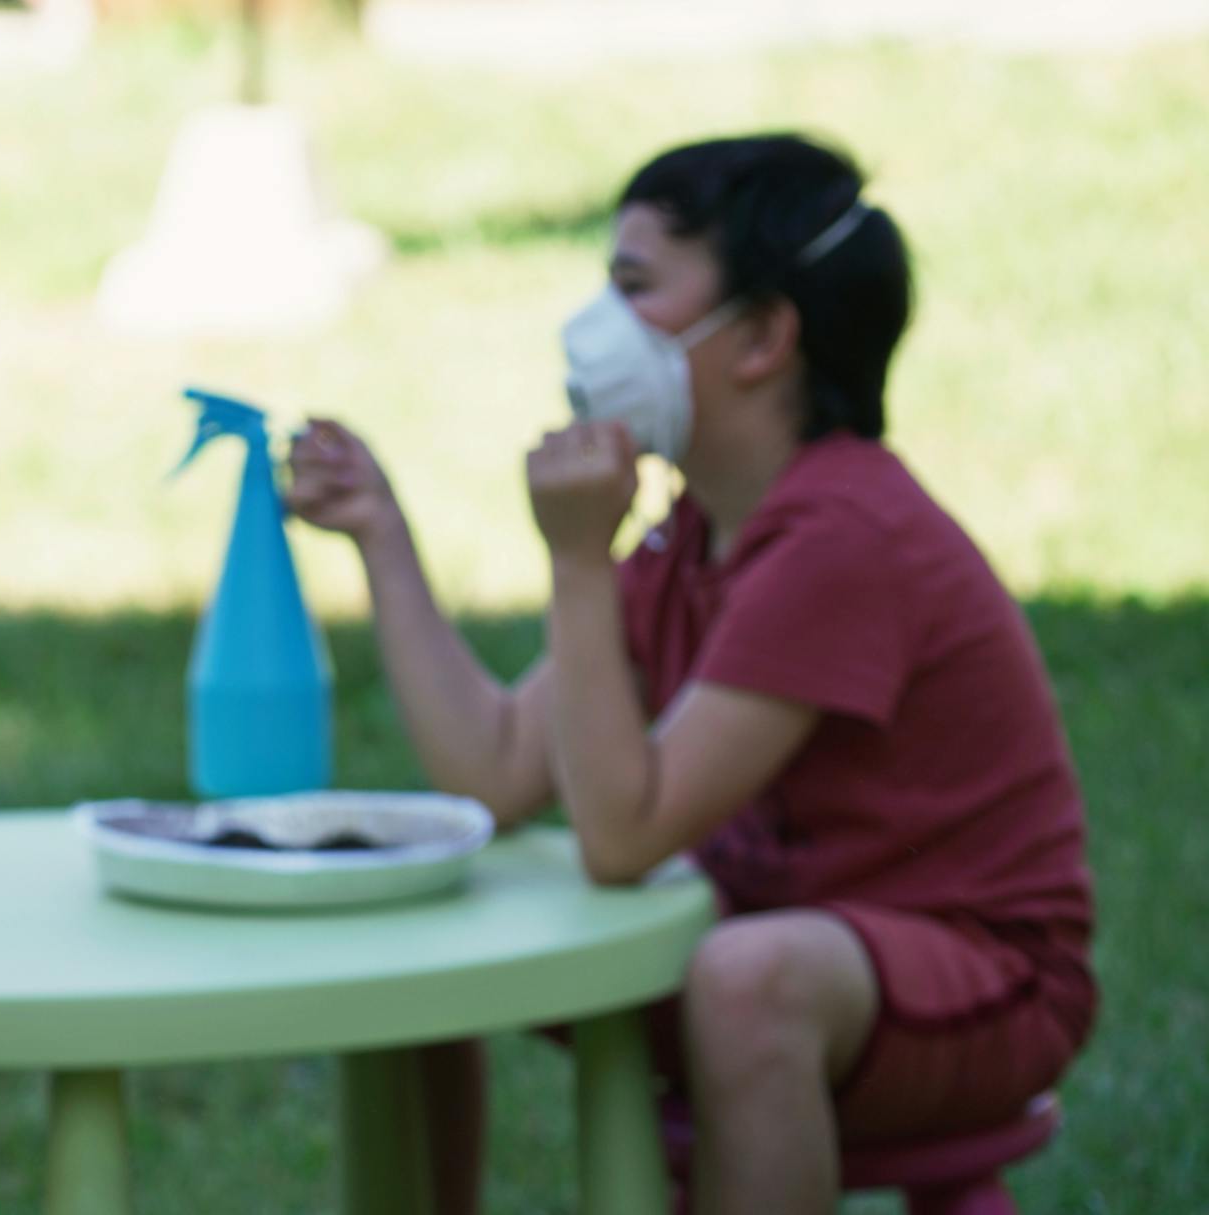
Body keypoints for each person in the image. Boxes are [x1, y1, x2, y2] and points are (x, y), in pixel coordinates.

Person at [285, 134, 1094, 1215]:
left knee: (745, 981)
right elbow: (491, 778)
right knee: (427, 918)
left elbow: (621, 838)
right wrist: (382, 537)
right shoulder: (687, 538)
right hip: (757, 934)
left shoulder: (842, 538)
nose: (596, 328)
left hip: (974, 977)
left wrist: (576, 559)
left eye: (635, 287)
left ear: (761, 335)